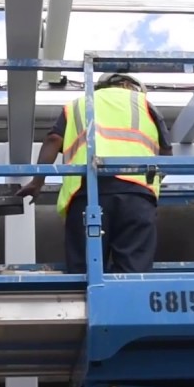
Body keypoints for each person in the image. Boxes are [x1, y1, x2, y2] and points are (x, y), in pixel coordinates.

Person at [15, 72, 172, 274]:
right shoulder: (144, 104)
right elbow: (167, 153)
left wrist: (37, 182)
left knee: (85, 271)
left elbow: (53, 140)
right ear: (128, 85)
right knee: (134, 270)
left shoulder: (77, 106)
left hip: (85, 192)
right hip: (136, 195)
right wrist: (153, 182)